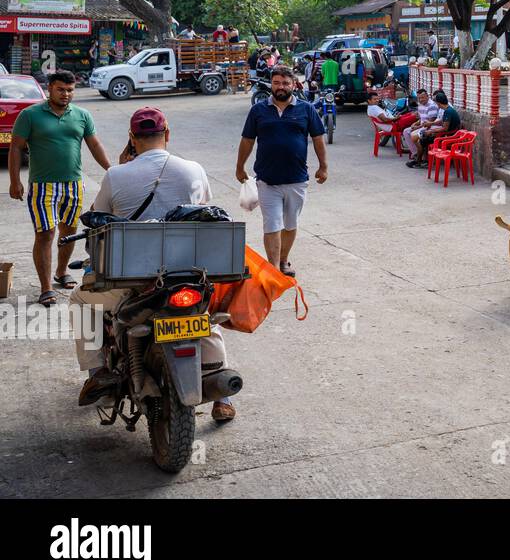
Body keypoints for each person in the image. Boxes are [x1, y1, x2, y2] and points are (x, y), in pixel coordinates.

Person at [73, 107, 237, 421]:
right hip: (186, 272)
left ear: (132, 139)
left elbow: (99, 220)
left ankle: (97, 373)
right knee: (203, 316)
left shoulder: (116, 175)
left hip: (134, 279)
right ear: (168, 135)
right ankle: (223, 395)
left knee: (80, 300)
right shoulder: (194, 169)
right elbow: (203, 210)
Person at [7, 70, 111, 307]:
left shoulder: (82, 115)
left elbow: (94, 144)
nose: (66, 94)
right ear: (50, 89)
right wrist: (15, 181)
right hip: (42, 187)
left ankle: (61, 272)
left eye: (70, 90)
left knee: (68, 231)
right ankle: (45, 288)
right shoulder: (30, 115)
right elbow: (15, 148)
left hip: (73, 185)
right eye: (61, 89)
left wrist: (111, 170)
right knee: (45, 233)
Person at [236, 65, 328, 277]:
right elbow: (248, 140)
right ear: (271, 84)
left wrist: (323, 167)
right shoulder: (258, 110)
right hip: (267, 180)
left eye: (285, 83)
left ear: (294, 85)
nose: (281, 87)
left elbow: (318, 139)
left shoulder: (306, 109)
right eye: (276, 82)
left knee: (290, 224)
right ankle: (274, 267)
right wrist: (240, 166)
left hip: (297, 180)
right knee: (272, 224)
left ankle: (284, 260)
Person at [406, 90, 461, 168]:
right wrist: (431, 124)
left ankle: (419, 162)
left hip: (446, 136)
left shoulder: (448, 111)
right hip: (445, 133)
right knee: (422, 138)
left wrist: (431, 131)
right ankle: (421, 160)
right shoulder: (447, 110)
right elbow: (443, 121)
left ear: (438, 103)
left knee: (420, 141)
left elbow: (444, 128)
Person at [403, 88, 444, 157]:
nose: (421, 100)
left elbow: (430, 122)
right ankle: (415, 152)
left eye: (422, 98)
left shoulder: (432, 106)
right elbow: (421, 119)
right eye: (419, 98)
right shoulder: (420, 104)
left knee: (412, 134)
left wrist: (417, 127)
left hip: (429, 127)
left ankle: (419, 155)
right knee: (406, 131)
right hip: (423, 125)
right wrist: (415, 124)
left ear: (427, 96)